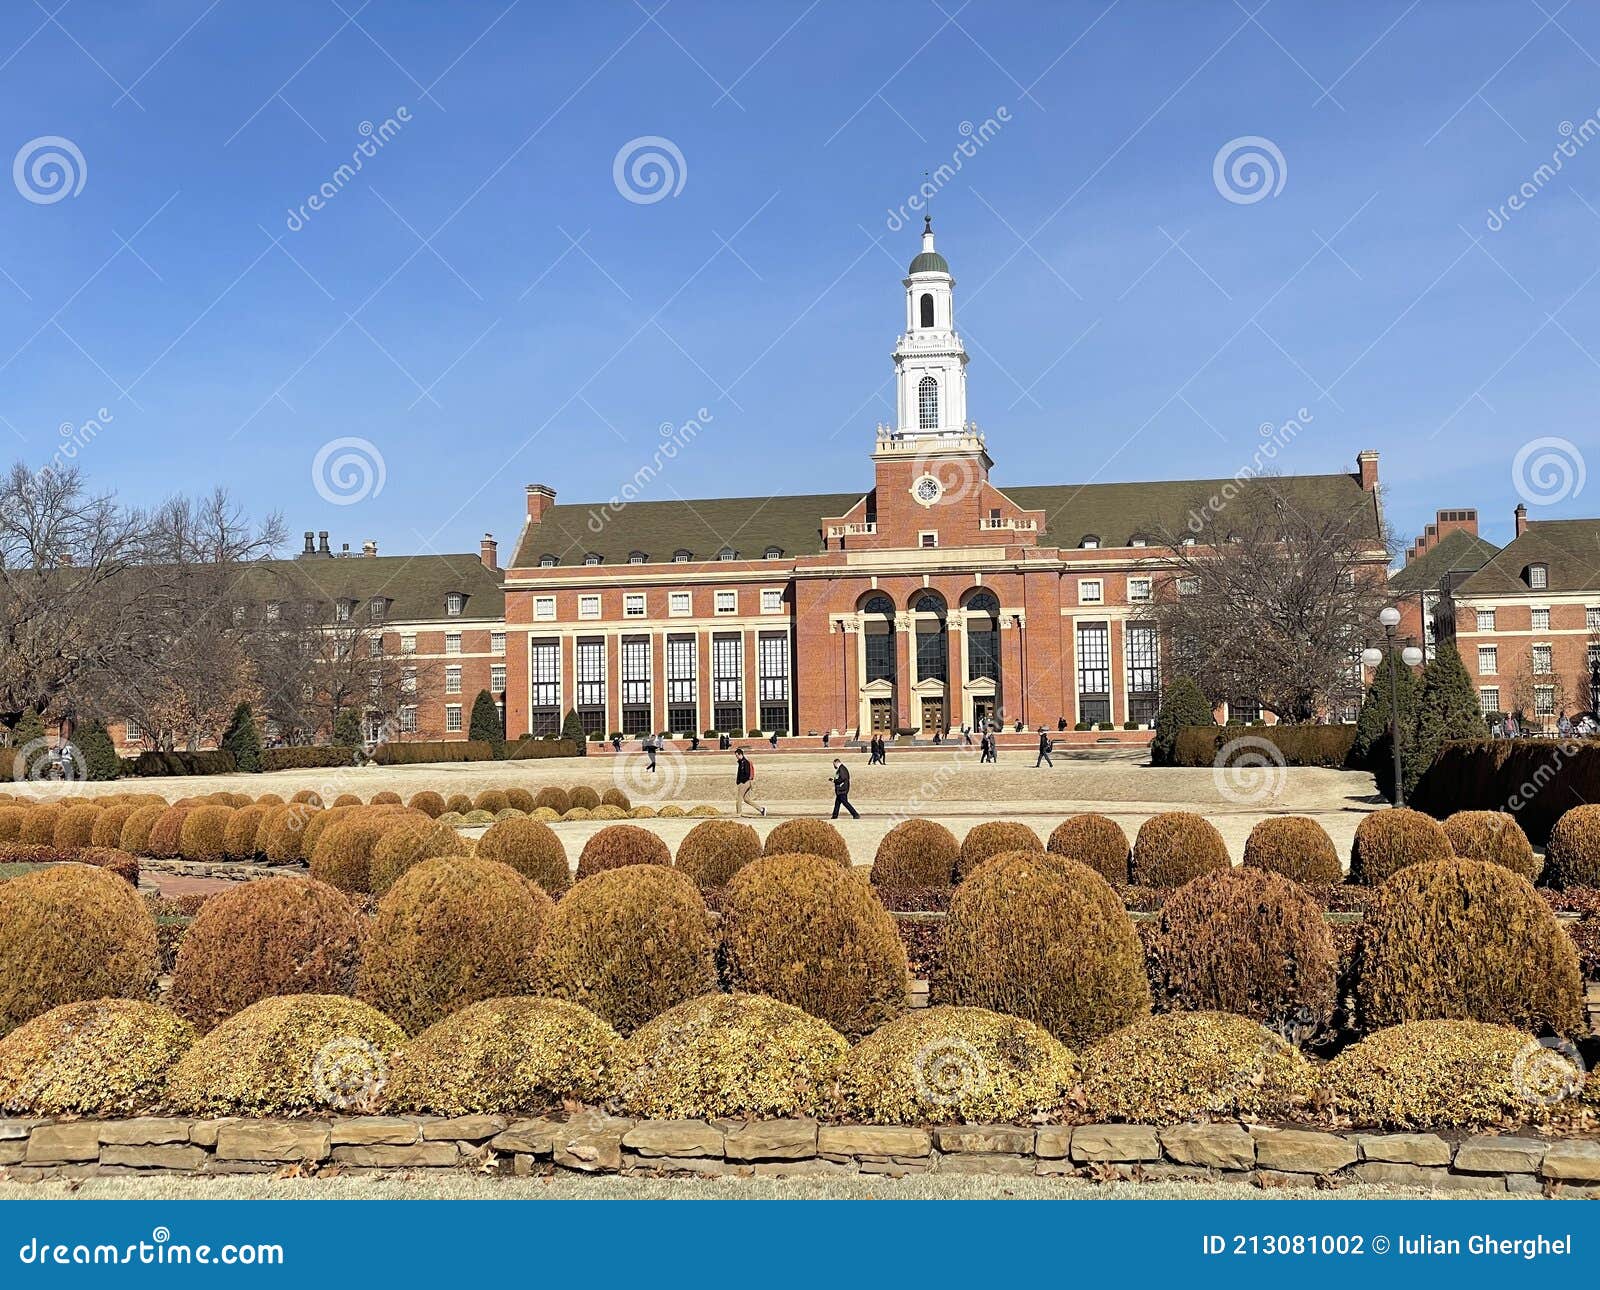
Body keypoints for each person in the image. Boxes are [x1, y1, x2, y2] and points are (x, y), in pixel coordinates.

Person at [734, 747, 766, 817]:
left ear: (740, 754)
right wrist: (738, 781)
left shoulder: (745, 762)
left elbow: (747, 774)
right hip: (745, 782)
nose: (736, 757)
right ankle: (761, 809)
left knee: (739, 798)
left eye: (737, 755)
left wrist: (741, 781)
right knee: (746, 799)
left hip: (745, 782)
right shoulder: (741, 762)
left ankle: (739, 813)